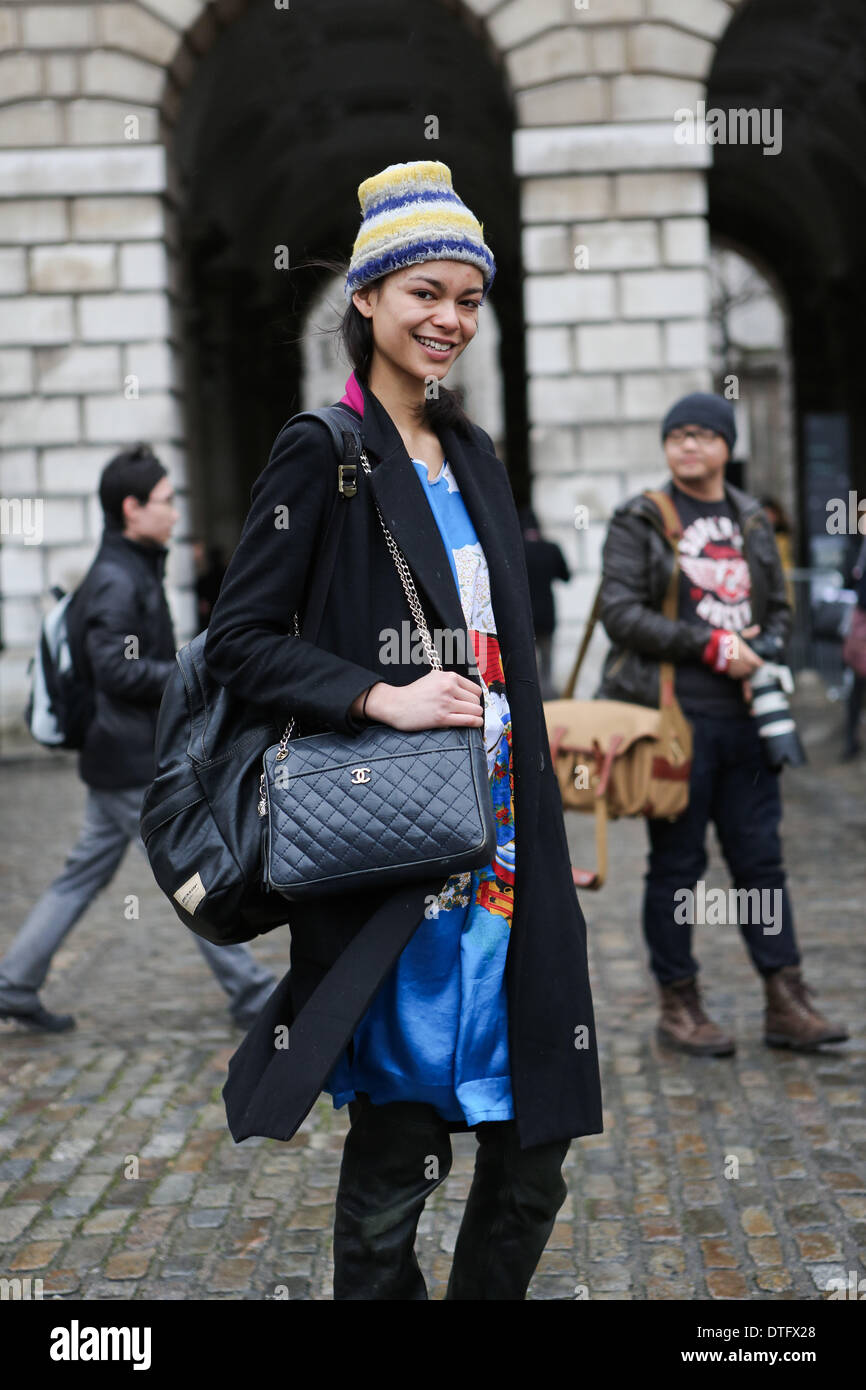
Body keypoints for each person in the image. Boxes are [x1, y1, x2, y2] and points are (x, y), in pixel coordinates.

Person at [204, 160, 602, 1300]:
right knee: (396, 1171)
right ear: (368, 299)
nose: (448, 319)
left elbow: (502, 650)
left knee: (533, 1162)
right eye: (425, 291)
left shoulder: (473, 453)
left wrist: (541, 780)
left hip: (510, 856)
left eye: (468, 299)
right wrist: (376, 694)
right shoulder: (320, 452)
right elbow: (237, 639)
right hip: (398, 861)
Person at [596, 392, 848, 1057]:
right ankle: (679, 1005)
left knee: (761, 863)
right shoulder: (642, 519)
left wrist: (762, 650)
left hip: (749, 722)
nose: (688, 446)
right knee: (676, 867)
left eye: (704, 434)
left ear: (726, 445)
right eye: (676, 435)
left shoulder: (752, 519)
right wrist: (709, 645)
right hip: (677, 723)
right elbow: (619, 613)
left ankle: (785, 998)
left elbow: (781, 607)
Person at [0, 446, 277, 1034]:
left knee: (84, 872)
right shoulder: (116, 580)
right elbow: (115, 670)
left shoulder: (128, 567)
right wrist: (189, 673)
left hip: (117, 755)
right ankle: (252, 991)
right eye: (166, 502)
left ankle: (14, 983)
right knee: (194, 865)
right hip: (128, 761)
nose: (176, 513)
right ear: (132, 508)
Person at [518, 505, 571, 700]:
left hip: (524, 616)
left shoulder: (517, 550)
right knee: (547, 664)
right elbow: (566, 576)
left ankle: (532, 699)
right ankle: (549, 699)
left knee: (529, 664)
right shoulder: (551, 548)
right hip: (548, 615)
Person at [841, 535, 866, 760]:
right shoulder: (857, 546)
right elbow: (847, 578)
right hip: (862, 622)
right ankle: (851, 740)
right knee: (856, 684)